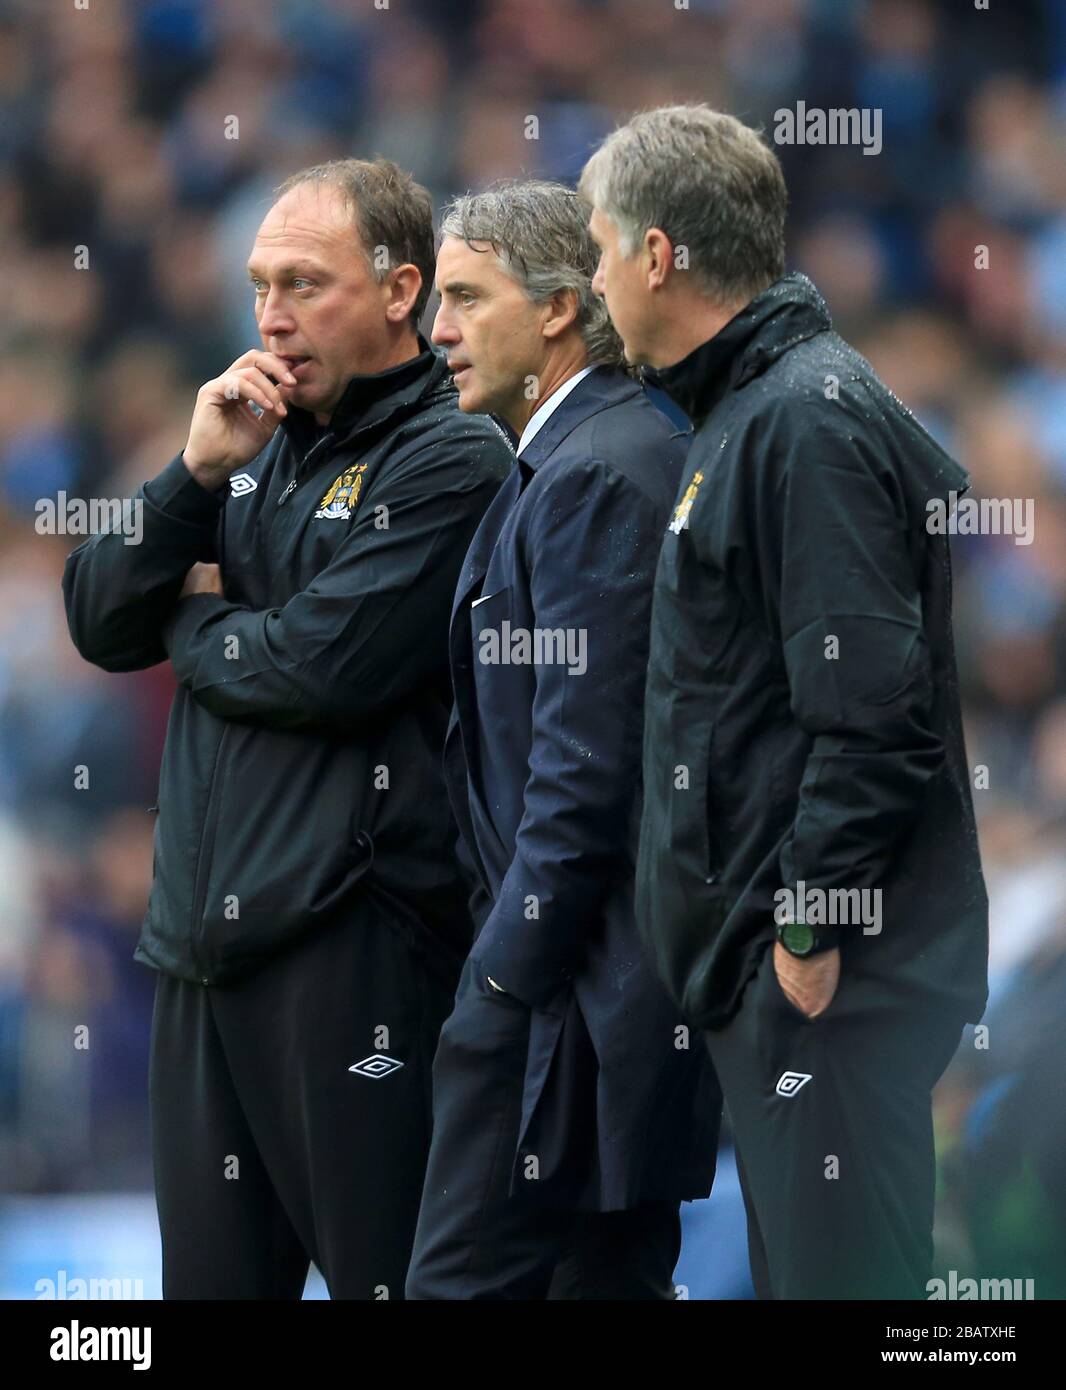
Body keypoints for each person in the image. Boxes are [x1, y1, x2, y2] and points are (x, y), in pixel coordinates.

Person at [62, 158, 512, 1299]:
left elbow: (325, 668)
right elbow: (101, 617)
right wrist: (190, 473)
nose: (272, 313)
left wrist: (201, 616)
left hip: (351, 948)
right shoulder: (245, 437)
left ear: (402, 289)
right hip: (199, 960)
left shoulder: (451, 453)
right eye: (262, 284)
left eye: (307, 284)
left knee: (389, 1282)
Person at [580, 106, 989, 1300]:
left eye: (603, 249)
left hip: (826, 983)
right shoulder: (753, 409)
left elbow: (872, 712)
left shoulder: (801, 420)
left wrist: (807, 926)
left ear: (657, 256)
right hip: (785, 977)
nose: (598, 283)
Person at [405, 181, 721, 1301]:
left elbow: (583, 774)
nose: (436, 332)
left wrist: (498, 981)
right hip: (582, 994)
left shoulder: (593, 470)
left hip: (574, 1003)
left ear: (554, 310)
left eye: (463, 298)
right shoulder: (576, 458)